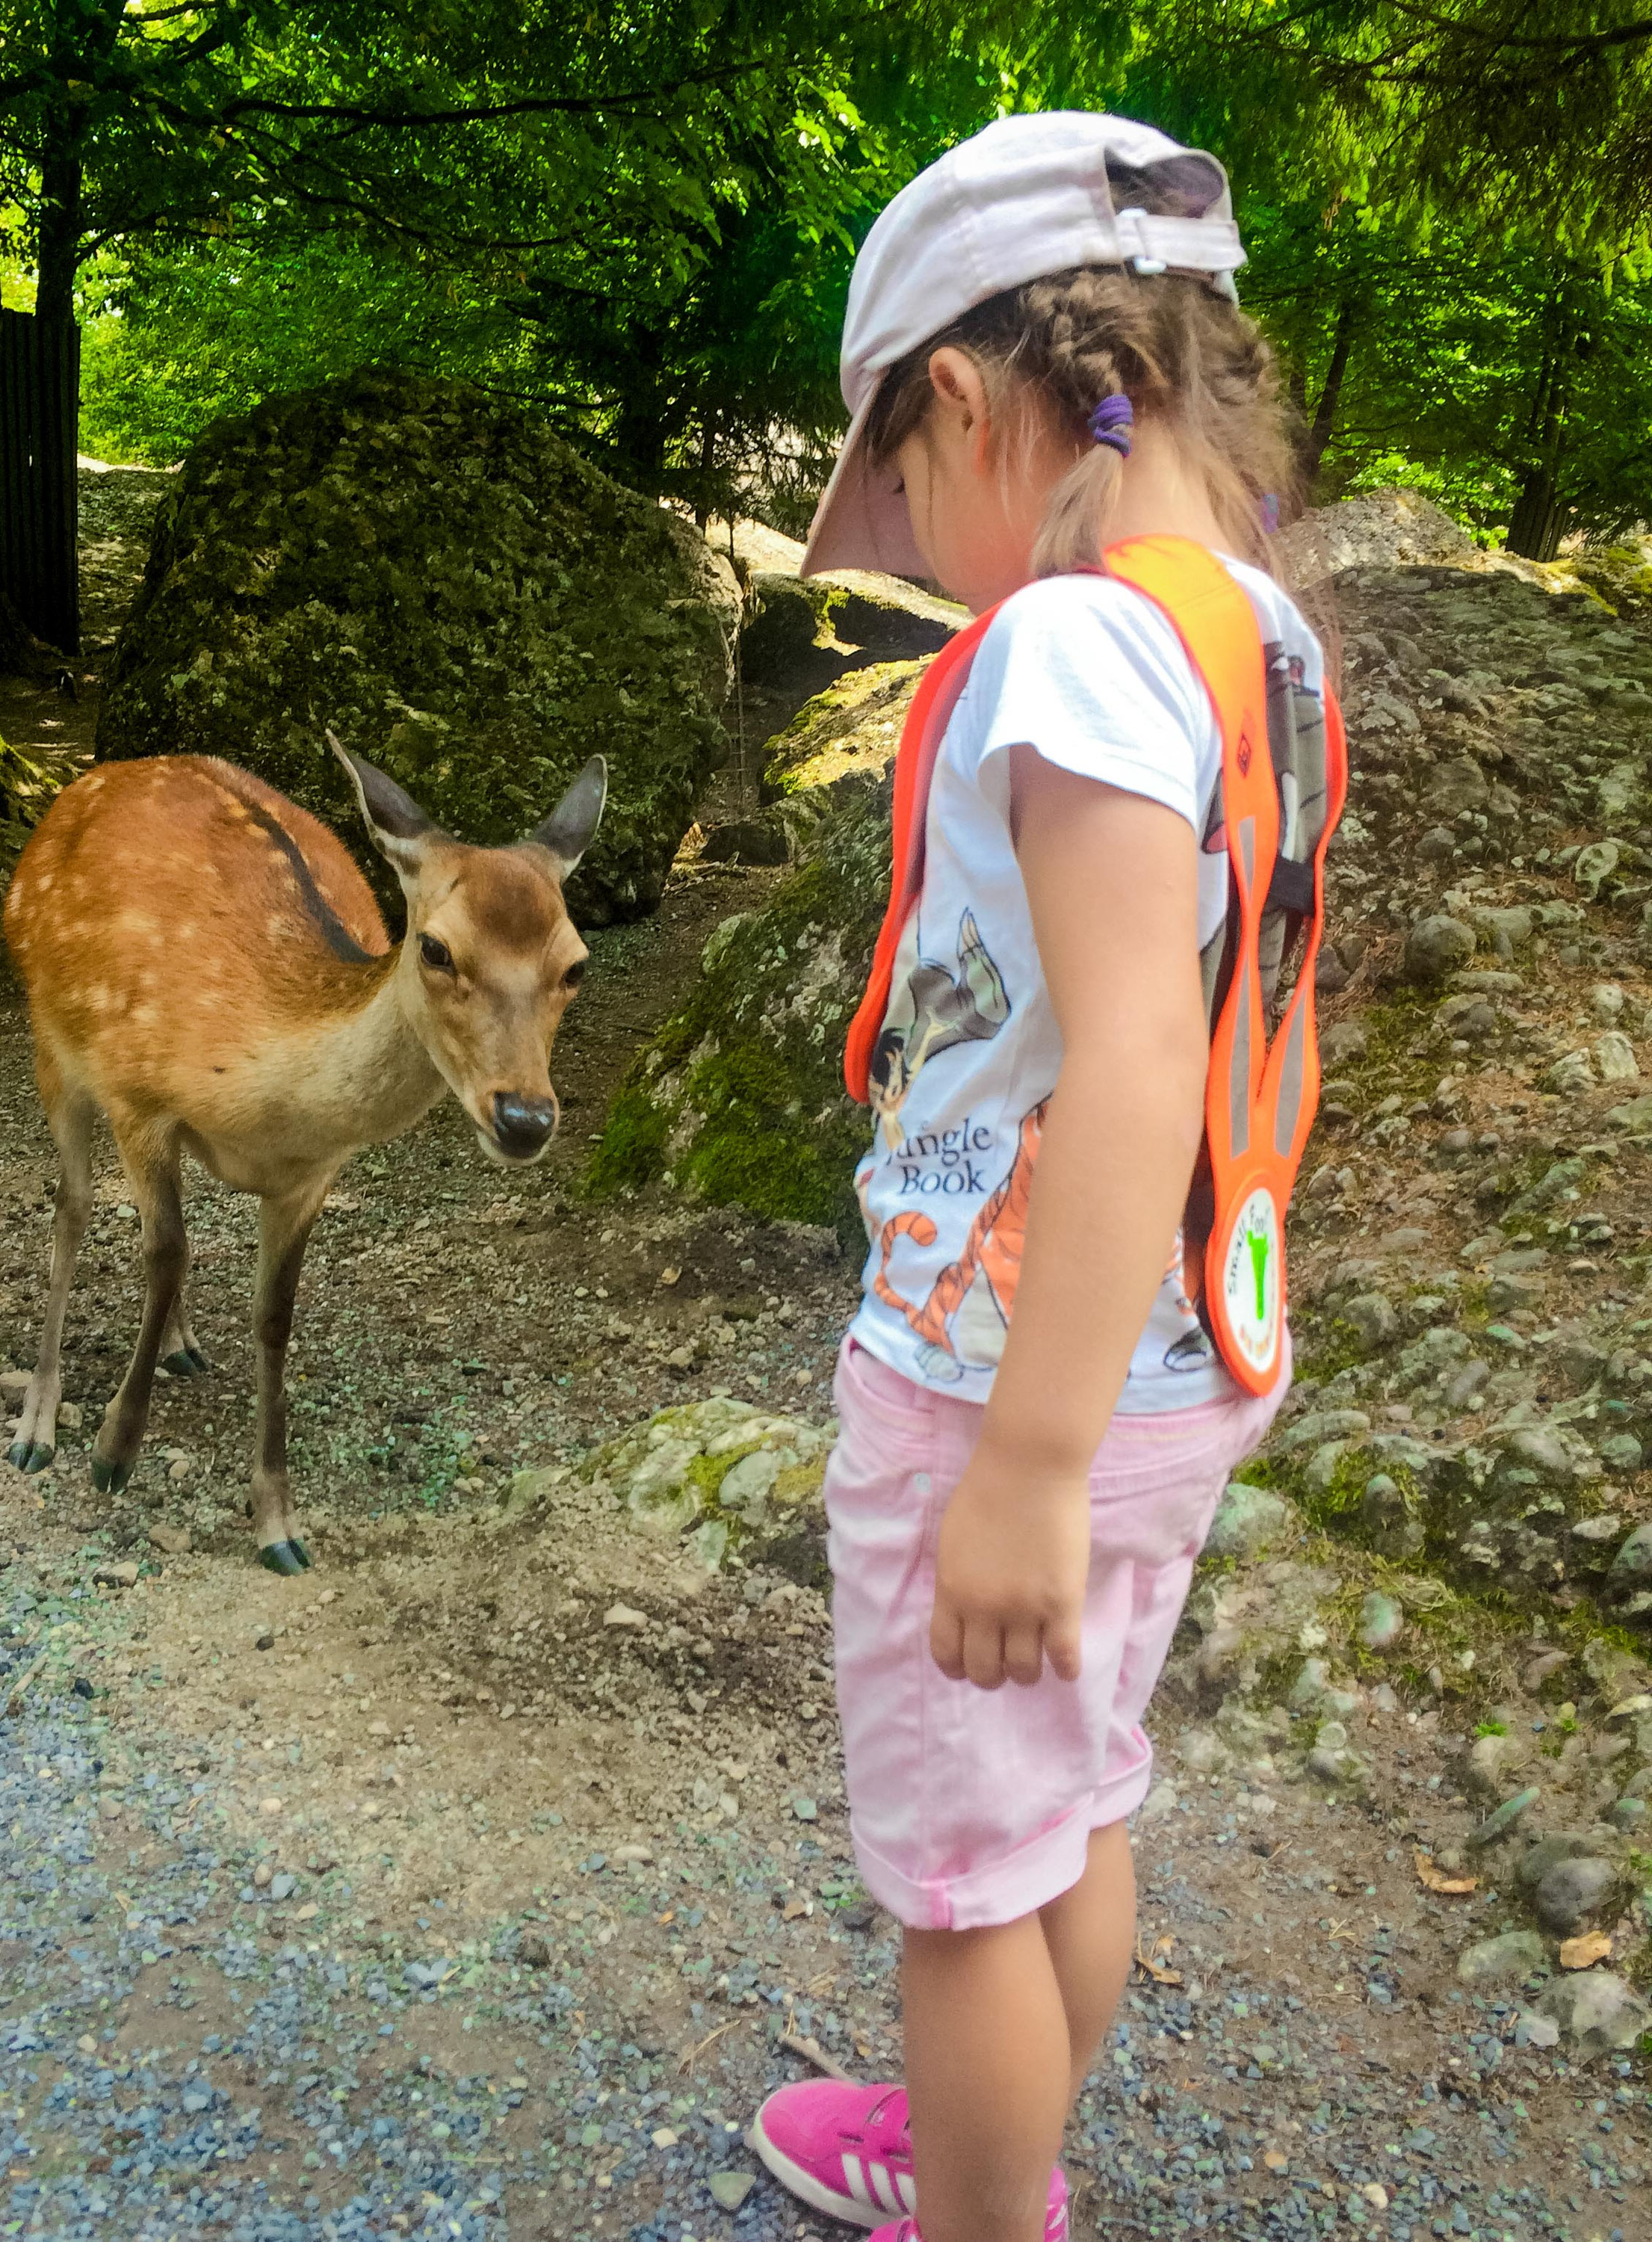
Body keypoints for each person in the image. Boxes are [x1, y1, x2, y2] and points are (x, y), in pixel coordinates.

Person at [749, 113, 1332, 2242]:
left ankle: (980, 2206)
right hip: (1183, 1355)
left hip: (1015, 1384)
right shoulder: (1255, 629)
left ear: (971, 404)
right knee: (1070, 1801)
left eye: (903, 492)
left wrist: (1024, 1463)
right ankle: (1009, 2160)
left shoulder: (1074, 644)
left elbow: (1132, 1060)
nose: (915, 554)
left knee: (958, 1891)